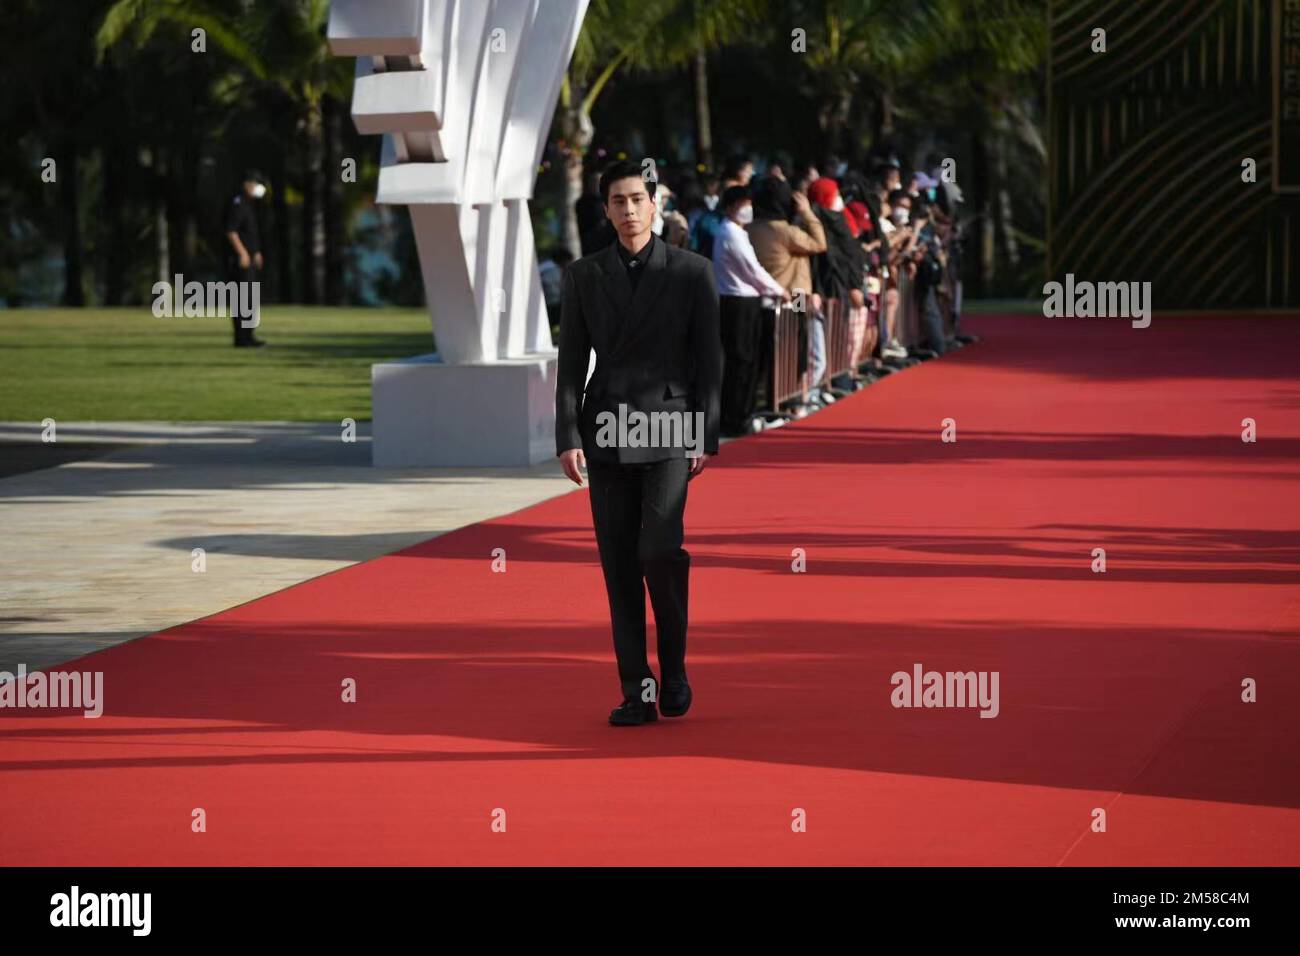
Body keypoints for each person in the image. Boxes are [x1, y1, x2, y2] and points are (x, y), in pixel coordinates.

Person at [554, 159, 722, 727]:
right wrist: (567, 434)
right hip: (606, 430)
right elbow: (572, 362)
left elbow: (709, 360)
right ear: (605, 210)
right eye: (617, 201)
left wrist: (705, 431)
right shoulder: (584, 276)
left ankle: (673, 671)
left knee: (659, 551)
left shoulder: (691, 271)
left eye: (636, 199)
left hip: (671, 427)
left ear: (655, 205)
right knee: (619, 565)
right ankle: (636, 689)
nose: (628, 210)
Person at [712, 184, 788, 435]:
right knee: (741, 362)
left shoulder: (736, 232)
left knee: (744, 361)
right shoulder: (730, 233)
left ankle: (740, 414)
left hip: (743, 301)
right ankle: (736, 418)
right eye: (743, 204)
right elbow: (752, 269)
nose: (748, 209)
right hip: (738, 302)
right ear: (731, 207)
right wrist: (778, 290)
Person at [224, 169, 268, 347]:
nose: (259, 188)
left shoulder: (248, 204)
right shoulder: (238, 203)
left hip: (249, 257)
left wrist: (255, 252)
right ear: (247, 184)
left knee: (250, 298)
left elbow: (249, 232)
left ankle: (248, 336)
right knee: (242, 298)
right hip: (240, 259)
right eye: (256, 184)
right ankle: (242, 338)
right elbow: (231, 231)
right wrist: (242, 253)